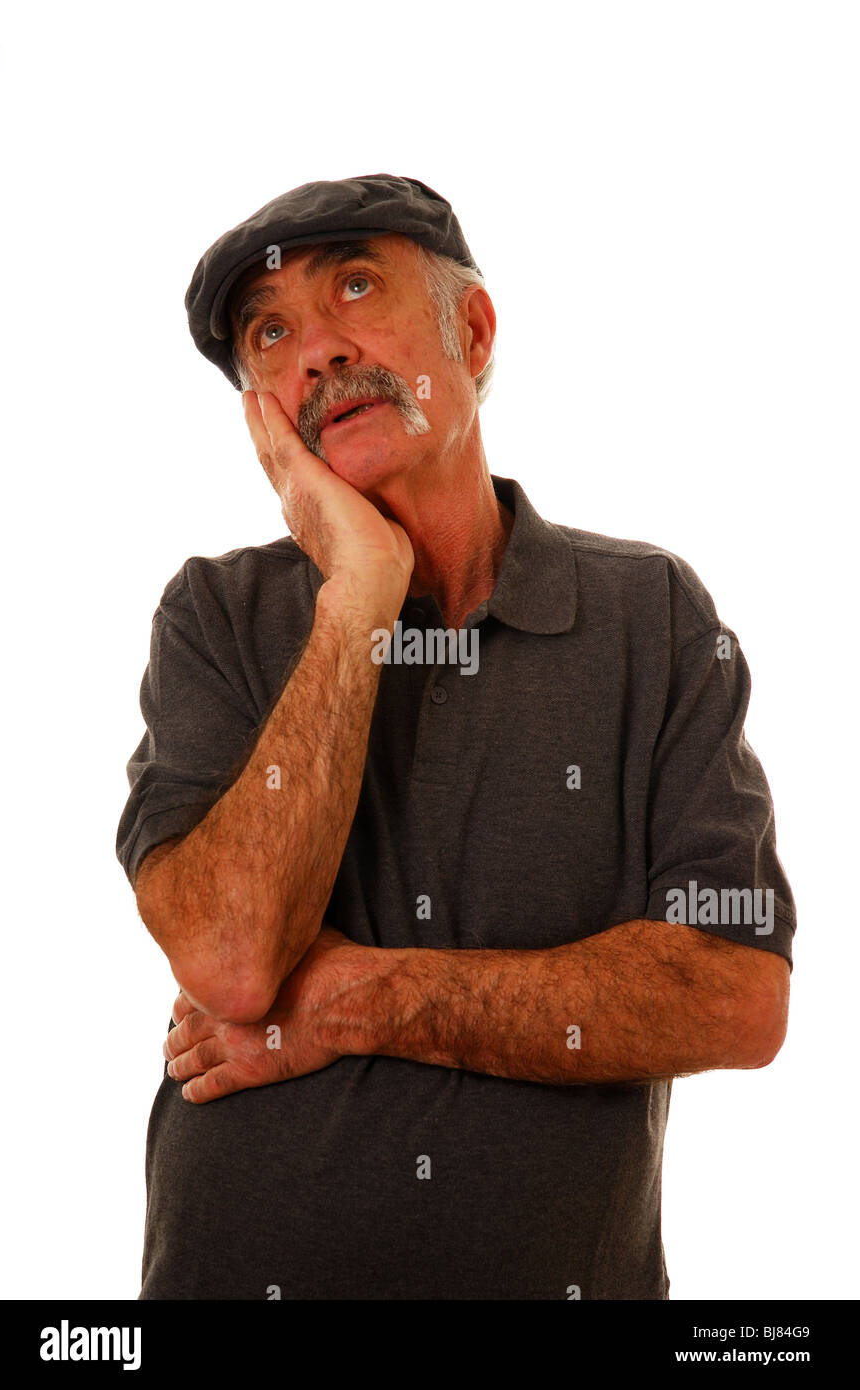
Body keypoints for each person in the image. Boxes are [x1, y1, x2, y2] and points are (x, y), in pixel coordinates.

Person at [116, 173, 795, 1300]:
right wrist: (360, 596)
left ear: (470, 331)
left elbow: (736, 992)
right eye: (271, 332)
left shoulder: (649, 614)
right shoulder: (215, 616)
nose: (318, 351)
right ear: (261, 406)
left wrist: (353, 1001)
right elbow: (231, 958)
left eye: (357, 287)